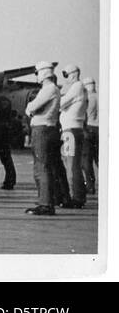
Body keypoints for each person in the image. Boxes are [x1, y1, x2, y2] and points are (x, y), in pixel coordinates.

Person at [24, 62, 61, 216]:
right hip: (47, 128)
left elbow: (31, 107)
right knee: (45, 166)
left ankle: (45, 203)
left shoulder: (49, 89)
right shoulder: (52, 89)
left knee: (42, 167)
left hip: (42, 129)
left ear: (43, 73)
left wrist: (30, 108)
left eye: (38, 72)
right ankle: (45, 200)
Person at [58, 65, 88, 209]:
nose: (66, 78)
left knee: (72, 165)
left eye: (66, 74)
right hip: (73, 129)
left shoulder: (76, 87)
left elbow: (61, 103)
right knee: (72, 164)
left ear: (73, 74)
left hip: (70, 130)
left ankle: (76, 197)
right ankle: (78, 195)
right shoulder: (81, 87)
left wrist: (63, 92)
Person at [82, 76, 99, 194]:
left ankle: (90, 186)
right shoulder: (102, 97)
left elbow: (83, 115)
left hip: (88, 128)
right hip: (101, 130)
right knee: (100, 160)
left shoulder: (87, 98)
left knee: (87, 161)